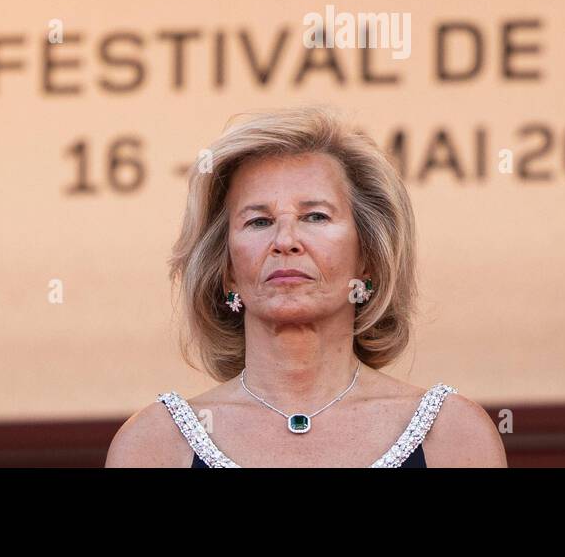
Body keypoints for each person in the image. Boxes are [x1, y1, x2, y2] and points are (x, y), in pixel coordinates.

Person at [106, 103, 507, 467]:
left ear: (368, 256)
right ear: (227, 269)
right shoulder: (155, 444)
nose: (285, 241)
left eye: (315, 216)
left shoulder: (452, 436)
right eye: (259, 221)